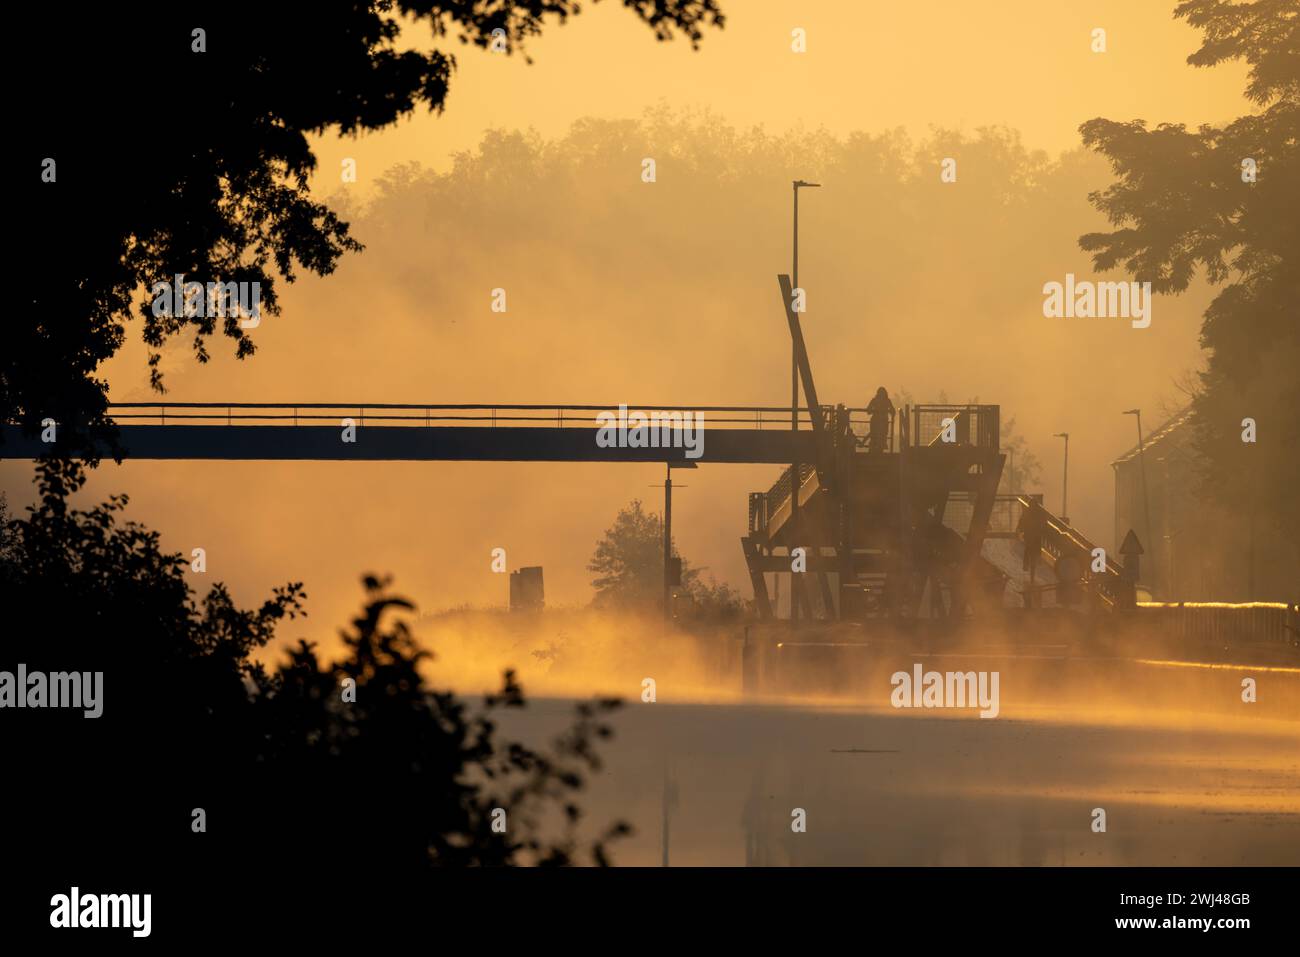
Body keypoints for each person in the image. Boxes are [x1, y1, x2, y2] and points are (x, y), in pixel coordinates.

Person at [867, 387, 894, 453]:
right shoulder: (886, 401)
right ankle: (875, 450)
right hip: (878, 421)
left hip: (881, 421)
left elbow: (868, 410)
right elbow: (868, 410)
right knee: (876, 436)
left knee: (880, 436)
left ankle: (877, 450)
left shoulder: (880, 400)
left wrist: (873, 411)